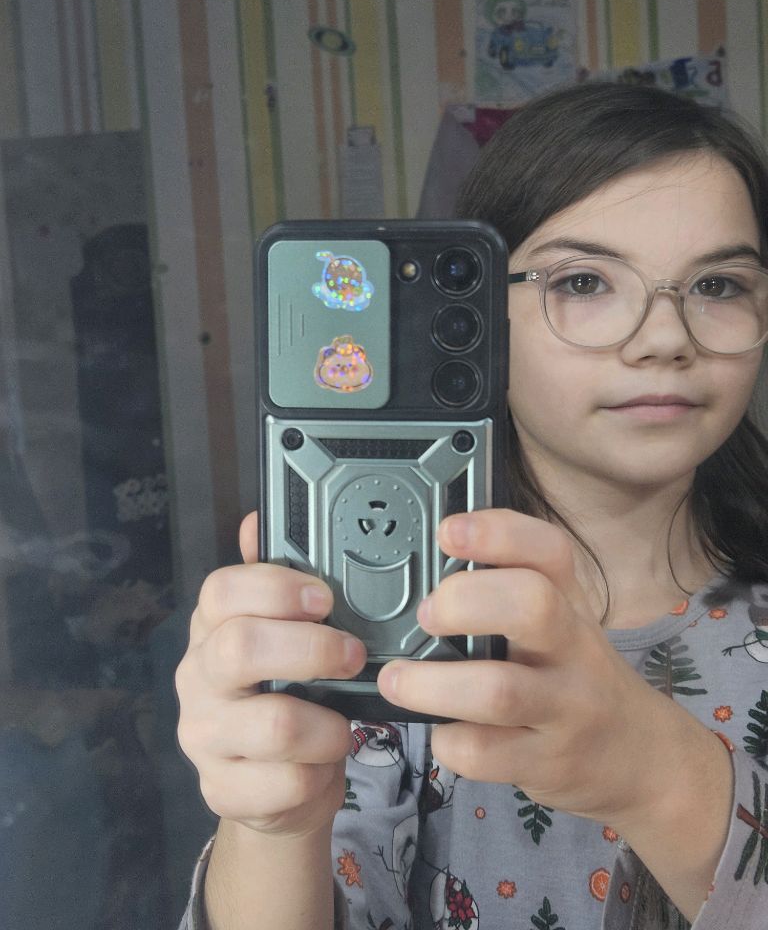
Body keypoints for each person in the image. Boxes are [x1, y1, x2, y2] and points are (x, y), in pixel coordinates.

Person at [175, 82, 768, 929]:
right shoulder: (391, 627)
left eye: (718, 284)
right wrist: (272, 827)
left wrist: (660, 779)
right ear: (485, 316)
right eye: (584, 281)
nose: (667, 338)